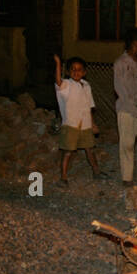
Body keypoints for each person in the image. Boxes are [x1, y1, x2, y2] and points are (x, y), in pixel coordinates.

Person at [54, 54, 104, 184]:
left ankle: (96, 171)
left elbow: (89, 107)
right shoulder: (66, 85)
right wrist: (58, 63)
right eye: (73, 69)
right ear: (68, 72)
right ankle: (63, 177)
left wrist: (93, 124)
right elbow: (58, 81)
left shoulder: (86, 86)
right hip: (71, 124)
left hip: (85, 124)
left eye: (79, 69)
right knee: (68, 152)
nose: (76, 72)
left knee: (89, 149)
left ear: (84, 72)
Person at [113, 27, 137, 187]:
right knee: (127, 143)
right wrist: (136, 109)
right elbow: (120, 90)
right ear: (135, 43)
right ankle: (127, 177)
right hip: (126, 109)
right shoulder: (120, 63)